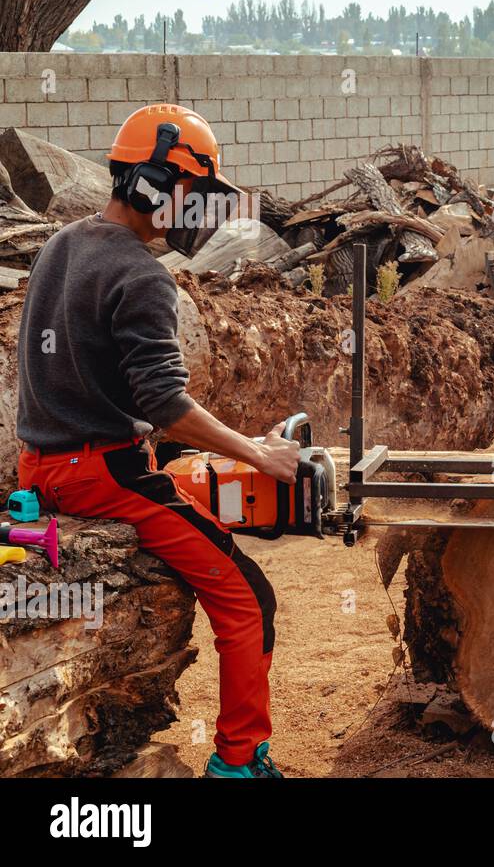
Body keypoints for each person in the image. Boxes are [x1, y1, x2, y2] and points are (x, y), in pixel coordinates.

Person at [16, 103, 299, 778]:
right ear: (151, 183)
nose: (200, 211)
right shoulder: (142, 275)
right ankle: (240, 762)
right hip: (102, 473)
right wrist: (258, 453)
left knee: (193, 487)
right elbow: (167, 408)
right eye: (195, 194)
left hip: (40, 467)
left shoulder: (64, 243)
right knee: (248, 598)